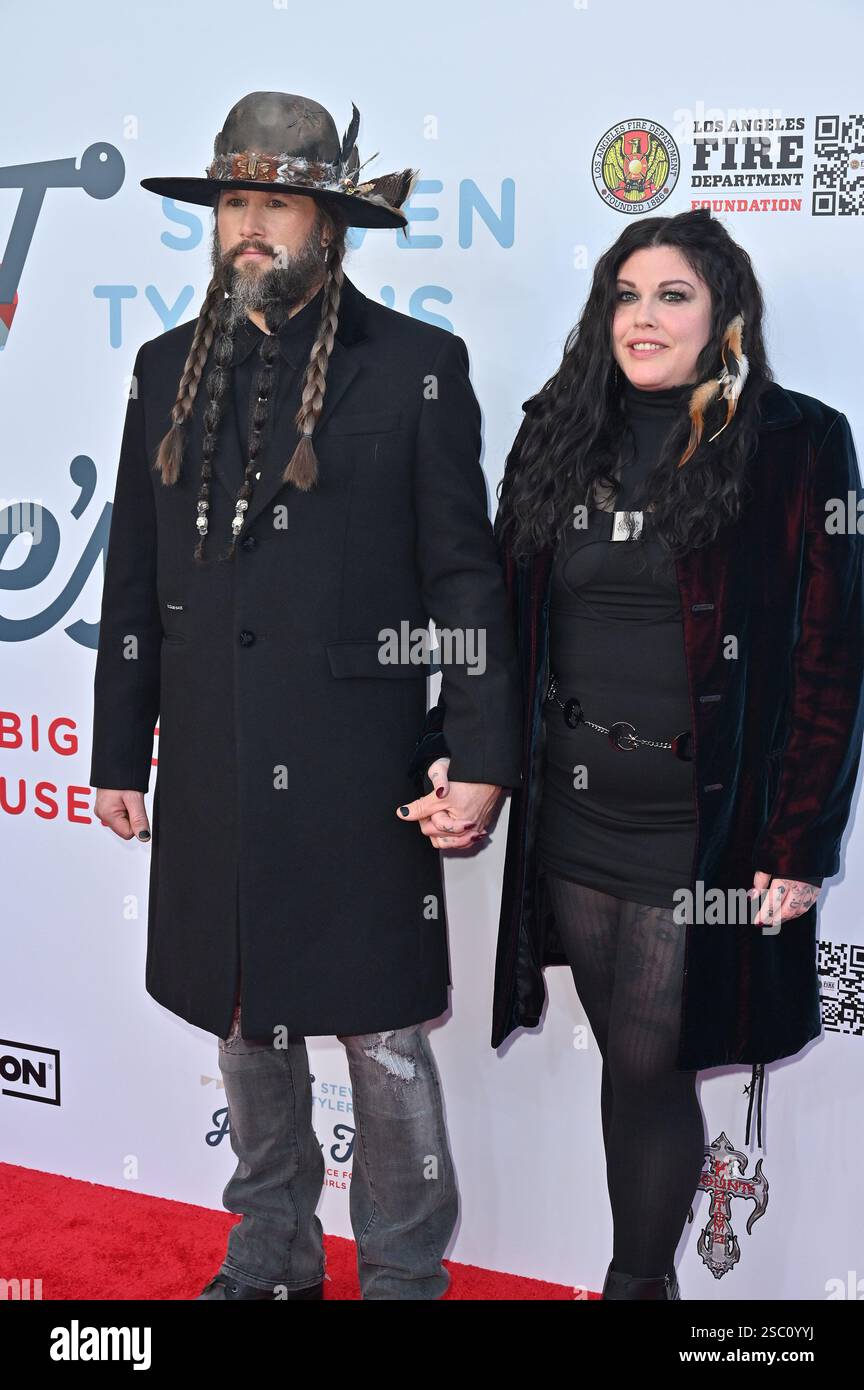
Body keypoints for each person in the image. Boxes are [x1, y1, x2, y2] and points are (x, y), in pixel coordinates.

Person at [89, 89, 521, 1301]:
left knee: (380, 1038)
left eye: (275, 200)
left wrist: (481, 754)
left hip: (357, 763)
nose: (249, 224)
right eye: (234, 200)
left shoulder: (417, 369)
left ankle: (400, 1274)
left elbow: (466, 581)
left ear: (326, 221)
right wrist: (121, 748)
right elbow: (136, 572)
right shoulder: (164, 366)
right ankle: (271, 1254)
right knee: (245, 1021)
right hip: (217, 760)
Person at [415, 207, 864, 1299]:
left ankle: (632, 1285)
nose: (645, 316)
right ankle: (643, 1285)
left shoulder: (799, 442)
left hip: (697, 826)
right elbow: (505, 620)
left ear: (725, 317)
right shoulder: (557, 431)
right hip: (576, 818)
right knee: (628, 1057)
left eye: (673, 296)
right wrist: (454, 746)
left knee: (655, 1056)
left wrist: (798, 839)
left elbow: (830, 655)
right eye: (627, 294)